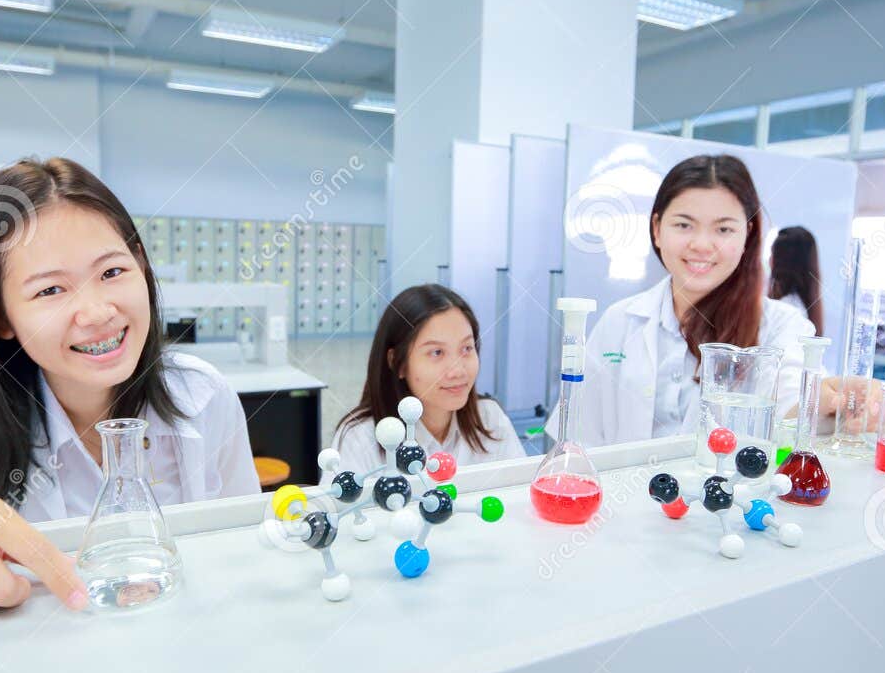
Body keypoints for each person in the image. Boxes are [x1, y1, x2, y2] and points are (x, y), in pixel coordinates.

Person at [0, 157, 258, 619]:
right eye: (50, 291)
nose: (97, 312)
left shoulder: (203, 397)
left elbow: (244, 538)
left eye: (111, 273)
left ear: (141, 267)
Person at [568, 154, 835, 447]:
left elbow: (793, 409)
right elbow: (579, 433)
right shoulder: (619, 321)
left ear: (748, 235)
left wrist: (829, 402)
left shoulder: (784, 327)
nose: (701, 245)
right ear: (657, 229)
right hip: (620, 492)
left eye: (723, 229)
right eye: (684, 225)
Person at [332, 284, 526, 473]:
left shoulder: (491, 419)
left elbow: (521, 495)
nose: (458, 371)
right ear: (397, 363)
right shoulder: (360, 437)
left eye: (467, 348)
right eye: (437, 352)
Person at [768, 225, 825, 335]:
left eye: (772, 253)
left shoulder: (785, 311)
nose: (769, 259)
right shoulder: (802, 308)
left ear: (776, 261)